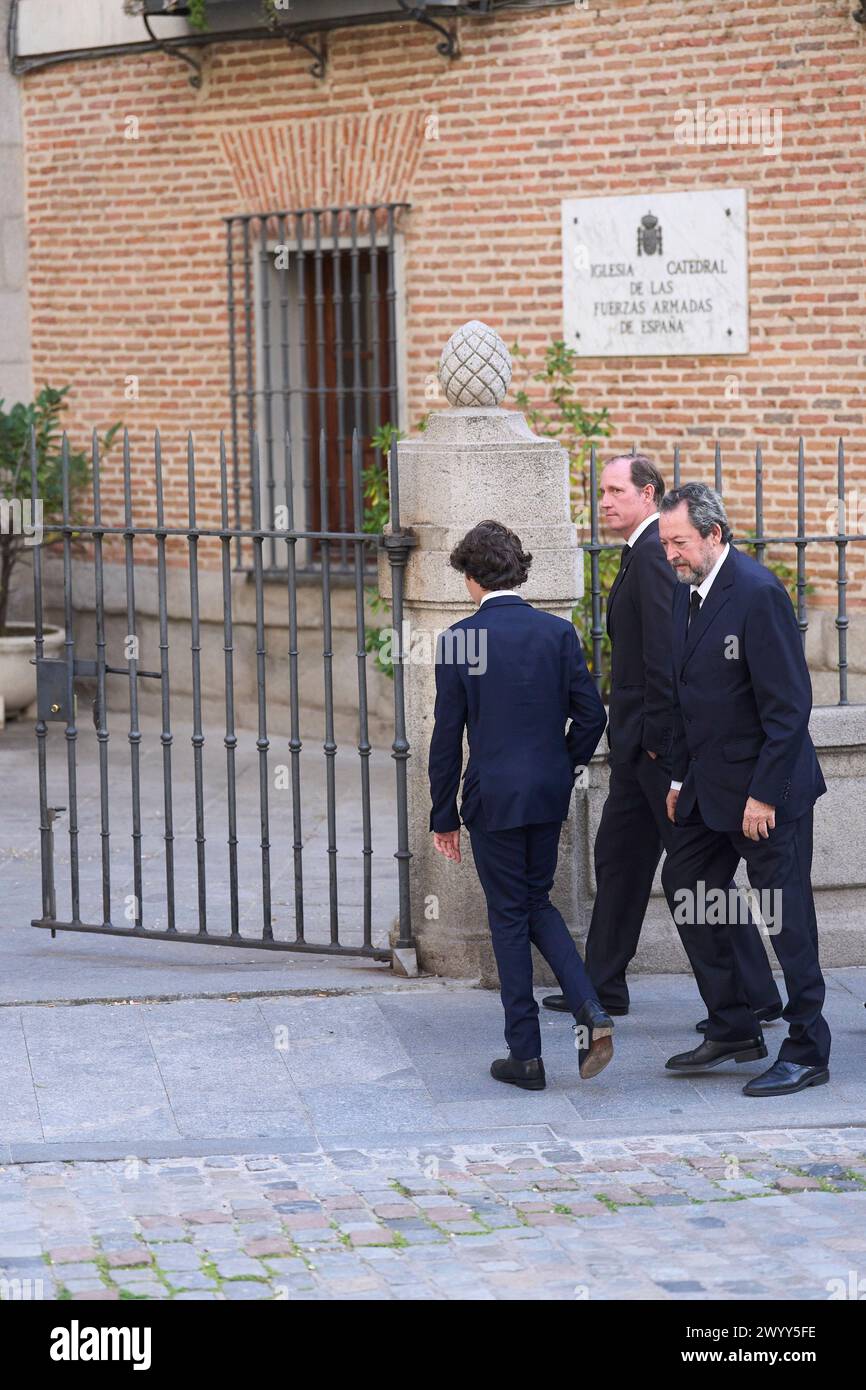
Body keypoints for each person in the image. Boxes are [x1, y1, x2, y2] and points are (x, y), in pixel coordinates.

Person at [542, 454, 781, 1029]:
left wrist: (660, 749)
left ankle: (758, 996)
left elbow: (665, 662)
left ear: (648, 494)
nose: (604, 501)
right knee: (619, 861)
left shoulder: (656, 555)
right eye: (601, 491)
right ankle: (603, 984)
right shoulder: (642, 553)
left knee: (700, 875)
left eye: (615, 490)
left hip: (655, 750)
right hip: (635, 750)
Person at [658, 483, 830, 1096]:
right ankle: (734, 1024)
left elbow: (789, 709)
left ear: (714, 535)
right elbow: (687, 697)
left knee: (787, 917)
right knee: (687, 883)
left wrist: (765, 796)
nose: (671, 553)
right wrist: (679, 776)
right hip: (708, 787)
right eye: (665, 543)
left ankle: (808, 1047)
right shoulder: (687, 593)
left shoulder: (757, 594)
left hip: (766, 791)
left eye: (679, 542)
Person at [428, 519, 612, 1089]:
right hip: (546, 793)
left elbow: (446, 736)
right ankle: (589, 1009)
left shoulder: (460, 639)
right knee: (536, 903)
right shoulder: (556, 634)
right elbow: (592, 716)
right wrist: (562, 765)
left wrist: (443, 814)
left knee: (509, 917)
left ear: (470, 577)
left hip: (493, 799)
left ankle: (525, 1056)